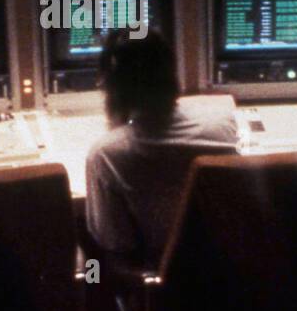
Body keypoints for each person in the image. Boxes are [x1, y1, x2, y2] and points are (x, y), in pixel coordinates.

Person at [85, 28, 238, 264]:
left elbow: (114, 243)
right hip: (231, 278)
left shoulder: (106, 154)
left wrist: (116, 120)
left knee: (88, 259)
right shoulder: (223, 125)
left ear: (110, 84)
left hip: (159, 288)